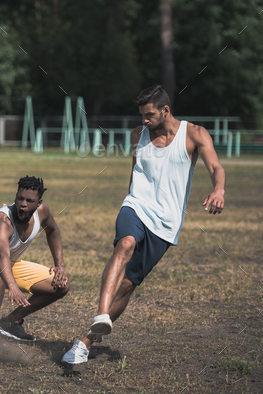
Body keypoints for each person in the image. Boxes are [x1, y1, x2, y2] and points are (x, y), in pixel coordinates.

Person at [62, 85, 226, 364]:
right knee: (124, 244)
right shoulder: (139, 135)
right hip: (136, 205)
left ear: (165, 110)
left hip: (166, 222)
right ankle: (102, 314)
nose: (144, 120)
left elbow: (215, 168)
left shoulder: (194, 134)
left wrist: (218, 190)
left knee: (127, 285)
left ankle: (86, 341)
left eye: (149, 114)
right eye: (141, 115)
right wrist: (129, 199)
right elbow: (135, 171)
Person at [0, 176, 69, 341]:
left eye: (29, 200)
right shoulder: (2, 221)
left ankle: (10, 322)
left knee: (61, 285)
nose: (23, 204)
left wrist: (60, 266)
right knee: (1, 268)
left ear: (39, 202)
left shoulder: (43, 212)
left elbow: (53, 231)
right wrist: (12, 285)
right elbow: (1, 256)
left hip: (7, 264)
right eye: (20, 198)